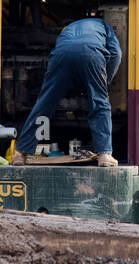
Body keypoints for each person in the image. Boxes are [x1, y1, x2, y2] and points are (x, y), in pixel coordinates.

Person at [12, 15, 121, 166]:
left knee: (44, 104)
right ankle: (104, 155)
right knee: (100, 104)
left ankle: (20, 153)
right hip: (92, 53)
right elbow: (116, 54)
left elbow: (67, 52)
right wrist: (105, 81)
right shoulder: (104, 25)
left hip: (61, 55)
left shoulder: (67, 29)